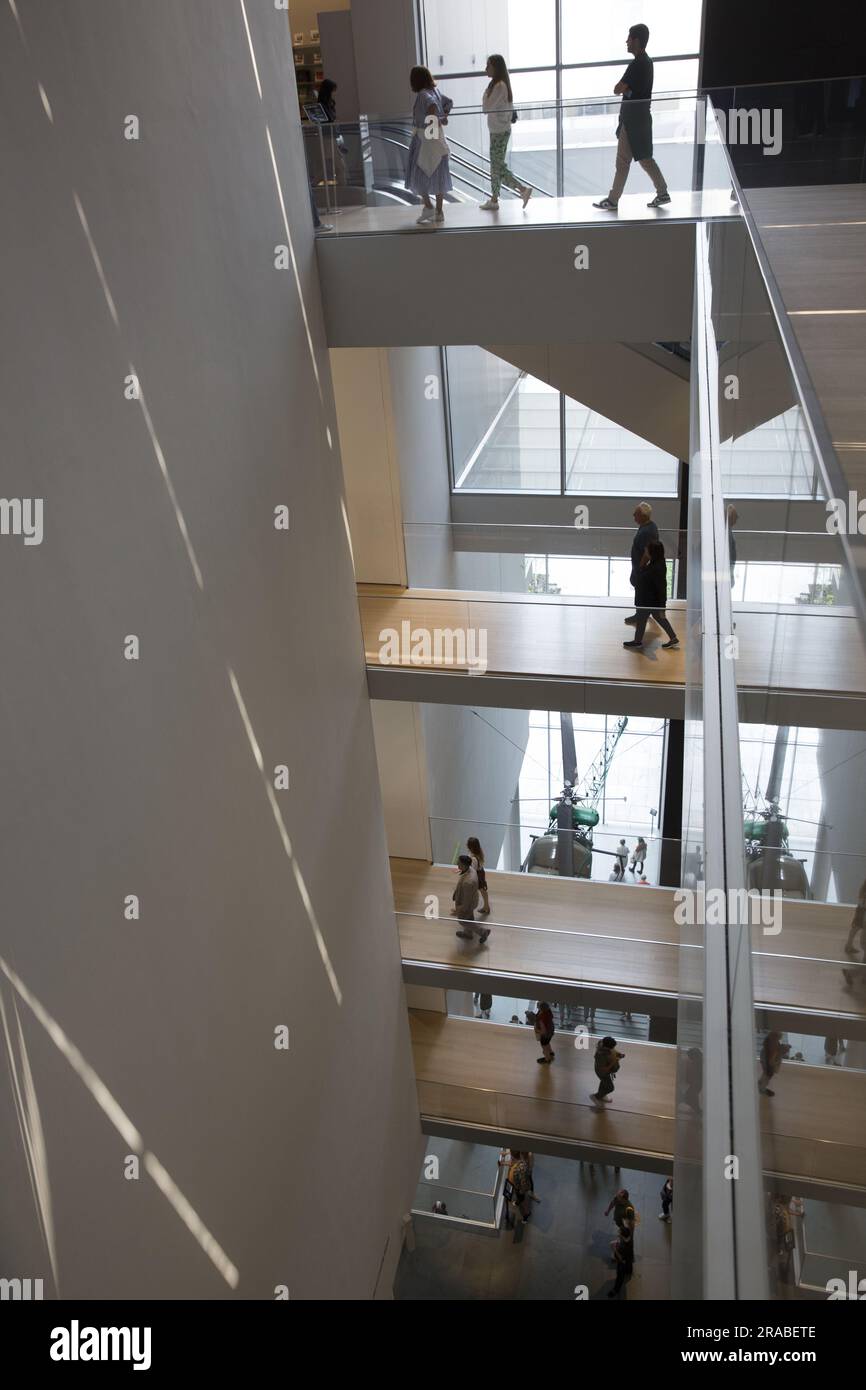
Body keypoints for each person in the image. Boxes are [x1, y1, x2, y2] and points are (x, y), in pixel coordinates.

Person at [592, 24, 670, 212]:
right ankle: (661, 192)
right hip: (639, 118)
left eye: (629, 38)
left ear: (636, 40)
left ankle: (614, 200)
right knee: (643, 158)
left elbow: (617, 89)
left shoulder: (637, 64)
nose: (626, 41)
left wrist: (626, 89)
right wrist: (628, 90)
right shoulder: (646, 62)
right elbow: (625, 90)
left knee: (625, 161)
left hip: (633, 120)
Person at [478, 55, 532, 212]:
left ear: (496, 67)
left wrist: (485, 93)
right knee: (496, 167)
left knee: (497, 167)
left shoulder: (499, 86)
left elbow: (486, 108)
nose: (486, 69)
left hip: (499, 131)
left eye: (488, 65)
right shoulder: (498, 85)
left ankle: (522, 189)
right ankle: (495, 199)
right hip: (498, 130)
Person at [405, 66, 453, 226]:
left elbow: (432, 106)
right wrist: (442, 118)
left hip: (424, 138)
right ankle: (438, 211)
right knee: (438, 173)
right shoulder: (435, 92)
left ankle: (428, 206)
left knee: (418, 172)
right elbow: (448, 102)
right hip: (437, 138)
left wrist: (433, 122)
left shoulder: (423, 94)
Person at [623, 539, 679, 650]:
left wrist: (642, 563)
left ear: (652, 552)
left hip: (648, 601)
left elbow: (638, 580)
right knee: (658, 618)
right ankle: (673, 638)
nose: (645, 551)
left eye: (646, 550)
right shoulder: (658, 563)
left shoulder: (655, 568)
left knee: (642, 619)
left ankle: (637, 641)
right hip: (652, 601)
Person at [624, 503, 659, 626]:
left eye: (636, 513)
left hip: (642, 569)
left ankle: (640, 615)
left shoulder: (646, 531)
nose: (633, 515)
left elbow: (647, 553)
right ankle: (641, 613)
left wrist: (640, 567)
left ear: (643, 515)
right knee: (639, 590)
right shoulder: (650, 526)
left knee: (640, 591)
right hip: (641, 567)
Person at [451, 854, 489, 944]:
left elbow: (466, 901)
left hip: (468, 904)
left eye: (459, 863)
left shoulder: (468, 882)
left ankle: (483, 932)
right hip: (473, 899)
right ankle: (468, 933)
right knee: (469, 918)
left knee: (463, 921)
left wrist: (459, 909)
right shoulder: (470, 869)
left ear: (464, 865)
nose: (457, 864)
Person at [591, 1036, 624, 1104]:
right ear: (607, 1047)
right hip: (602, 1073)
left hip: (606, 1073)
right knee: (610, 1088)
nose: (613, 1048)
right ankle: (596, 1096)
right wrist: (614, 1061)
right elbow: (604, 1069)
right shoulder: (600, 1055)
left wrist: (619, 1054)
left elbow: (613, 1051)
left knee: (604, 1083)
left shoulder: (607, 1047)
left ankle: (602, 1095)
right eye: (611, 1047)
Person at [758, 1030, 789, 1096]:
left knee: (766, 1075)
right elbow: (771, 1059)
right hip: (769, 1063)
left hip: (769, 1063)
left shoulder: (771, 1043)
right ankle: (762, 1088)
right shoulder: (772, 1045)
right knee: (767, 1075)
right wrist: (781, 1052)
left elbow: (776, 1054)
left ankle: (761, 1085)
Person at [608, 1224, 635, 1297]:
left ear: (622, 1235)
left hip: (622, 1262)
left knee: (620, 1276)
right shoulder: (629, 1238)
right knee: (629, 1264)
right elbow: (621, 1240)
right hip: (629, 1258)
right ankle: (629, 1272)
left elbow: (620, 1258)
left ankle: (615, 1290)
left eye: (619, 1232)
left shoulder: (623, 1247)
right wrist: (617, 1242)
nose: (618, 1233)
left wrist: (614, 1248)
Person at [467, 836, 491, 915]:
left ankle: (485, 907)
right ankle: (486, 906)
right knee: (483, 890)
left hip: (477, 875)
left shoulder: (474, 858)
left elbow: (472, 870)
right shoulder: (479, 852)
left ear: (471, 847)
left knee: (479, 890)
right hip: (480, 872)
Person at [529, 1000, 556, 1065]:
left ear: (541, 1008)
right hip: (550, 1031)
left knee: (544, 1046)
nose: (537, 1006)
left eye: (538, 1005)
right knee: (547, 1043)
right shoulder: (548, 1011)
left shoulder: (541, 1018)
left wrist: (537, 1030)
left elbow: (543, 1031)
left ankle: (547, 1059)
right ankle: (551, 1052)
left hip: (545, 1035)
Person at [844, 877, 866, 954]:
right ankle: (849, 946)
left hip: (862, 907)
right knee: (858, 927)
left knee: (856, 927)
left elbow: (862, 889)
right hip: (863, 908)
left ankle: (848, 945)